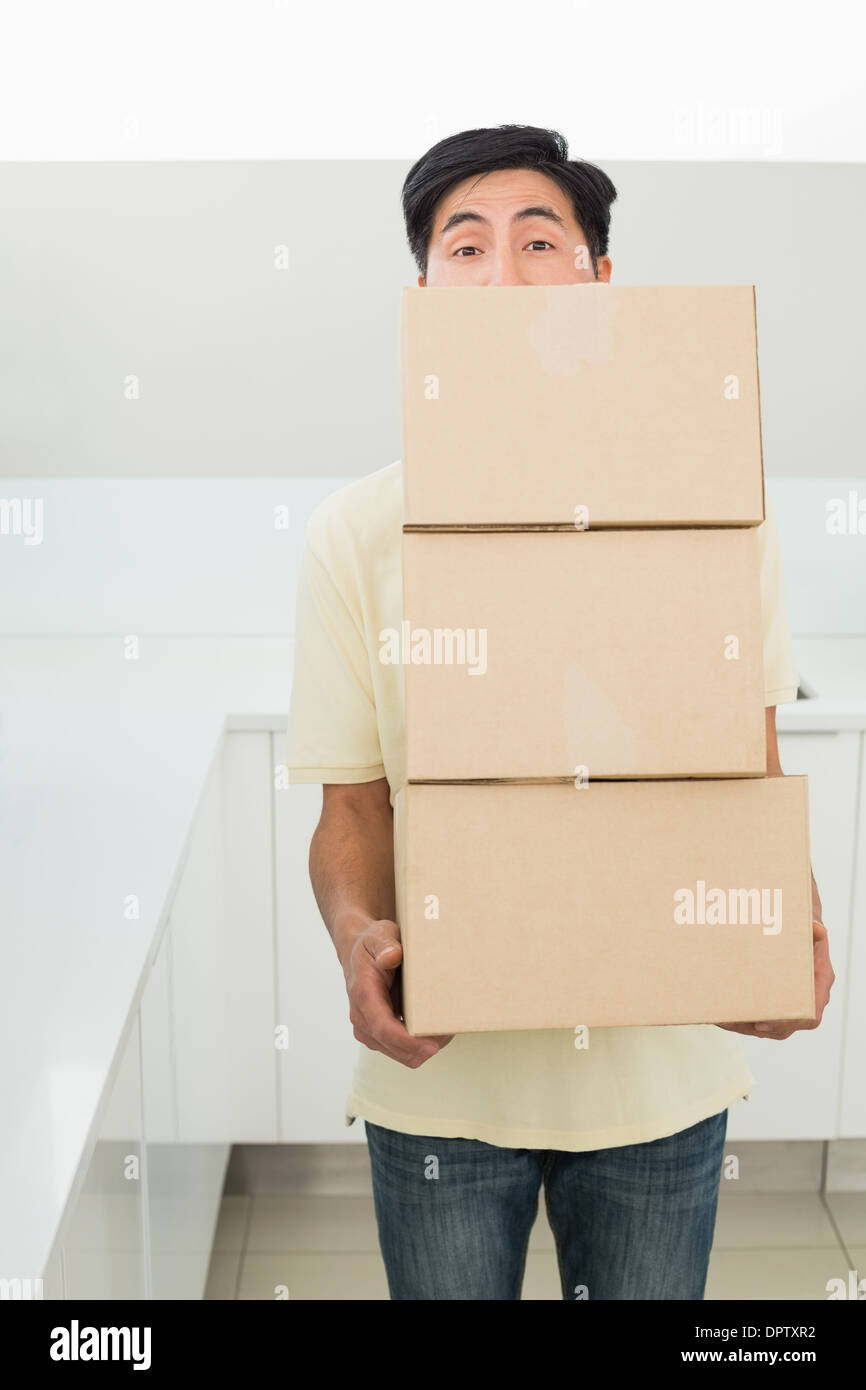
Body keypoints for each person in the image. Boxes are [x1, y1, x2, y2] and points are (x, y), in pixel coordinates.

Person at [286, 124, 835, 1300]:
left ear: (597, 283)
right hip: (442, 1073)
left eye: (540, 240)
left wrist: (780, 926)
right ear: (424, 294)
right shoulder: (356, 533)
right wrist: (353, 935)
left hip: (655, 1076)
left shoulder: (715, 509)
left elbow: (743, 760)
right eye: (464, 244)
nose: (502, 270)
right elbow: (350, 805)